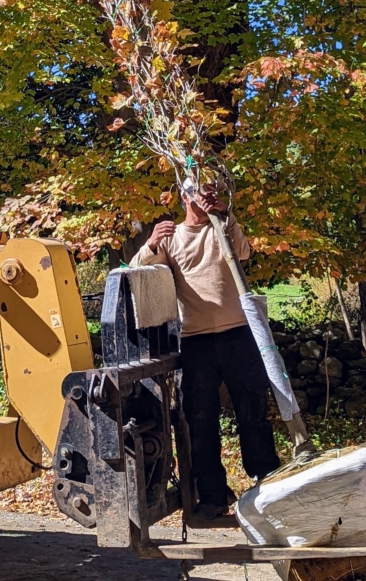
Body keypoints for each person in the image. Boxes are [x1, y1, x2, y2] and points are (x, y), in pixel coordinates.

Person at [130, 185, 279, 519]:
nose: (206, 197)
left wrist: (225, 214)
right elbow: (136, 270)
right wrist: (151, 243)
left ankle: (268, 486)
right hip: (196, 340)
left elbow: (243, 252)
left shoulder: (222, 228)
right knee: (200, 419)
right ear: (185, 198)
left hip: (238, 334)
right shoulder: (171, 237)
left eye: (211, 192)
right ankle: (212, 497)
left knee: (253, 410)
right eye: (199, 192)